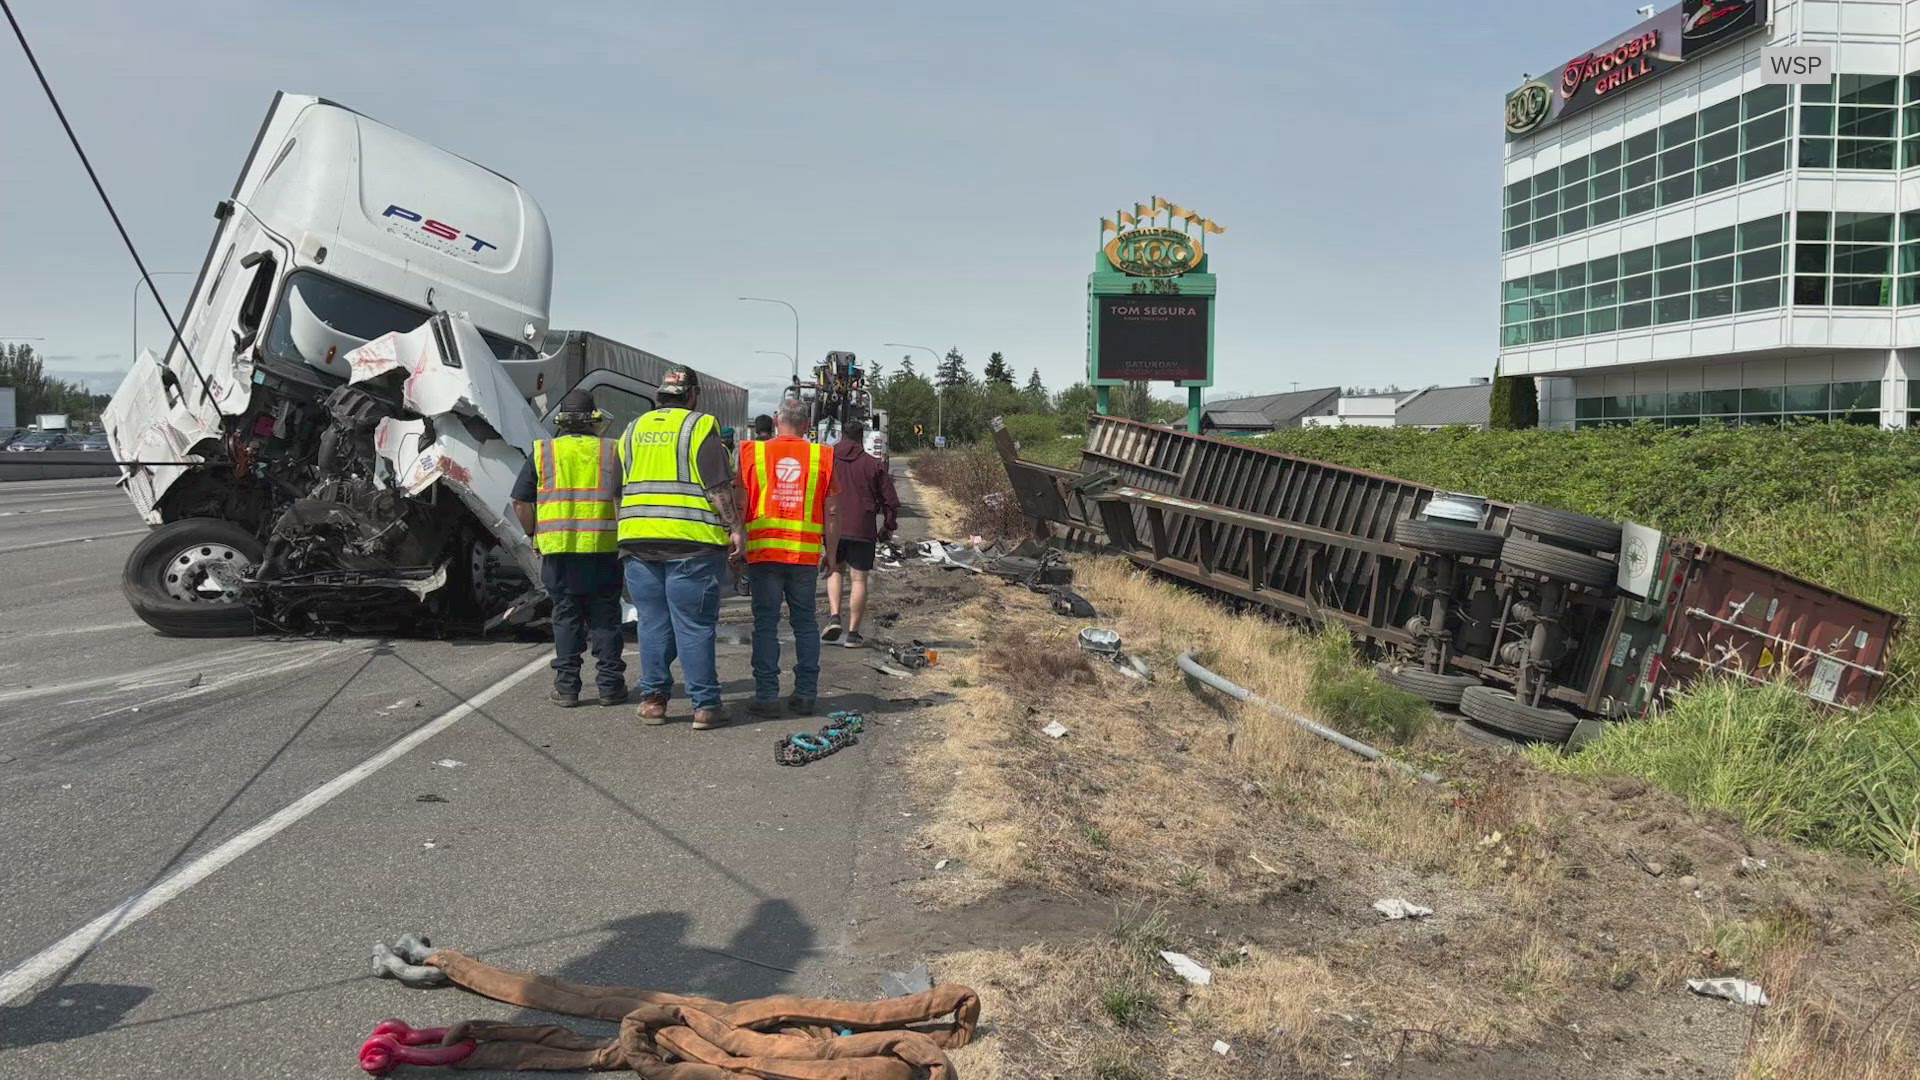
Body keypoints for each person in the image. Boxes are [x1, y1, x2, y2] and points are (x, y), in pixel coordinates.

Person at [616, 366, 743, 730]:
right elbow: (717, 486)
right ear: (693, 395)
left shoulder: (631, 430)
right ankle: (705, 706)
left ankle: (653, 702)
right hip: (691, 545)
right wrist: (735, 528)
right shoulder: (700, 427)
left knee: (653, 624)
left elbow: (618, 485)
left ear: (660, 396)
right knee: (694, 626)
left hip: (639, 543)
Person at [510, 390, 627, 708]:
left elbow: (520, 502)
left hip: (559, 551)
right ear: (594, 421)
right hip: (604, 549)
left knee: (566, 617)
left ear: (561, 421)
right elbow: (624, 499)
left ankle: (567, 689)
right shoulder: (611, 451)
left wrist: (534, 533)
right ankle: (610, 687)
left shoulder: (543, 451)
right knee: (605, 618)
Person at [738, 400, 839, 716]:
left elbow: (740, 504)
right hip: (803, 555)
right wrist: (832, 555)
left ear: (777, 420)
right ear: (807, 425)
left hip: (763, 553)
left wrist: (737, 543)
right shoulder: (822, 455)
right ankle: (806, 694)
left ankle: (767, 696)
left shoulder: (751, 452)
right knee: (805, 623)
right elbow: (832, 511)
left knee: (765, 623)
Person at [822, 418, 899, 648]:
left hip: (833, 526)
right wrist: (888, 526)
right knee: (858, 579)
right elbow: (891, 502)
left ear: (841, 435)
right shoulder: (872, 464)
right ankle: (853, 634)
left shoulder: (827, 459)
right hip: (863, 528)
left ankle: (835, 616)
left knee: (835, 570)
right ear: (861, 437)